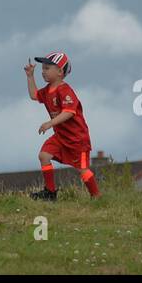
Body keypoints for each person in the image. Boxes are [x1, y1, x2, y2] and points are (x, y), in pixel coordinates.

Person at [25, 51, 99, 200]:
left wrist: (49, 123)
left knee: (83, 170)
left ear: (59, 72)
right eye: (42, 68)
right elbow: (34, 95)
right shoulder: (47, 91)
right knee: (44, 155)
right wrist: (30, 76)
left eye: (47, 68)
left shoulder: (65, 90)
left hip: (78, 140)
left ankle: (97, 198)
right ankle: (50, 193)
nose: (43, 71)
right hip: (60, 137)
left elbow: (69, 112)